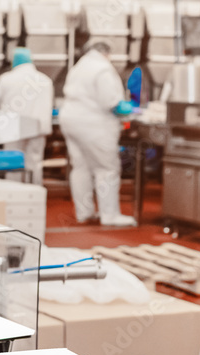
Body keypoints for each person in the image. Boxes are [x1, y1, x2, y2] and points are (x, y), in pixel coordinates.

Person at [58, 41, 137, 227]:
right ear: (106, 53)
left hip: (71, 121)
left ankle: (84, 213)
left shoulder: (78, 67)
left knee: (80, 167)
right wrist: (126, 109)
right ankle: (109, 215)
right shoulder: (103, 68)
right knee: (107, 168)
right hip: (93, 124)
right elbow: (110, 101)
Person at [0, 47, 54, 185]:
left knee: (12, 163)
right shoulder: (45, 80)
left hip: (13, 128)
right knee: (35, 163)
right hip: (38, 128)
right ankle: (34, 194)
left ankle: (14, 195)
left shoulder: (7, 79)